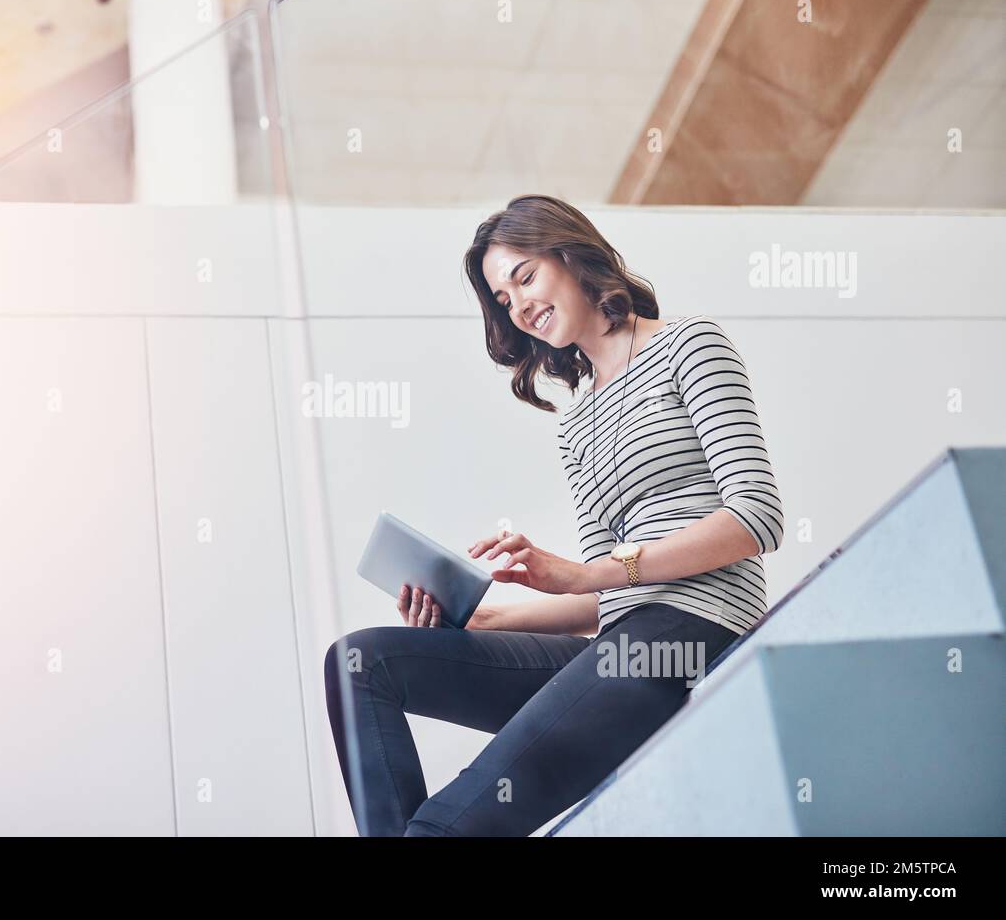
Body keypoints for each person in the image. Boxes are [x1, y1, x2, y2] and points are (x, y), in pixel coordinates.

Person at [324, 194, 785, 836]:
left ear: (571, 255)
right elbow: (602, 599)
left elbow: (757, 518)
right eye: (504, 299)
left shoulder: (689, 344)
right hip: (617, 643)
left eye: (524, 277)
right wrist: (485, 618)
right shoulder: (577, 420)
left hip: (690, 637)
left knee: (446, 826)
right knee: (360, 663)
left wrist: (588, 574)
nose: (519, 306)